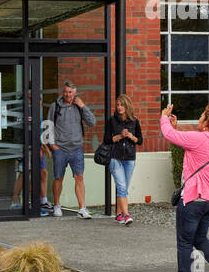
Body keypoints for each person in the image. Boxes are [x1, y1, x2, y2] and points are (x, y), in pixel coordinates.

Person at [158, 101, 209, 272]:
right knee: (200, 238)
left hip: (194, 199)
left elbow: (169, 135)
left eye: (201, 116)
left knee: (184, 241)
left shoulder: (199, 139)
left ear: (207, 122)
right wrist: (177, 129)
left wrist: (164, 117)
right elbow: (193, 150)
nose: (199, 118)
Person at [46, 80, 96, 218]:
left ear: (75, 93)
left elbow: (92, 122)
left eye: (70, 92)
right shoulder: (54, 106)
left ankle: (82, 208)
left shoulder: (79, 107)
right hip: (60, 149)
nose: (67, 95)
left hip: (76, 149)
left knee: (79, 177)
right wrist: (52, 145)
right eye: (66, 92)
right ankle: (57, 205)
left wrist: (82, 105)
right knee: (58, 178)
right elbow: (48, 125)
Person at [104, 94, 142, 225]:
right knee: (121, 186)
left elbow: (140, 141)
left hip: (130, 159)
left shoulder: (134, 121)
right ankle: (126, 215)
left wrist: (131, 136)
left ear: (127, 106)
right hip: (116, 158)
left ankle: (119, 214)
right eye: (118, 105)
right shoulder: (112, 121)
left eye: (122, 105)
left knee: (124, 188)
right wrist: (120, 136)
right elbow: (107, 139)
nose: (119, 107)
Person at [11, 143, 53, 213]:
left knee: (42, 173)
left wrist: (44, 146)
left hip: (38, 145)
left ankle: (40, 203)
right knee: (24, 173)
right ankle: (15, 202)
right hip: (26, 143)